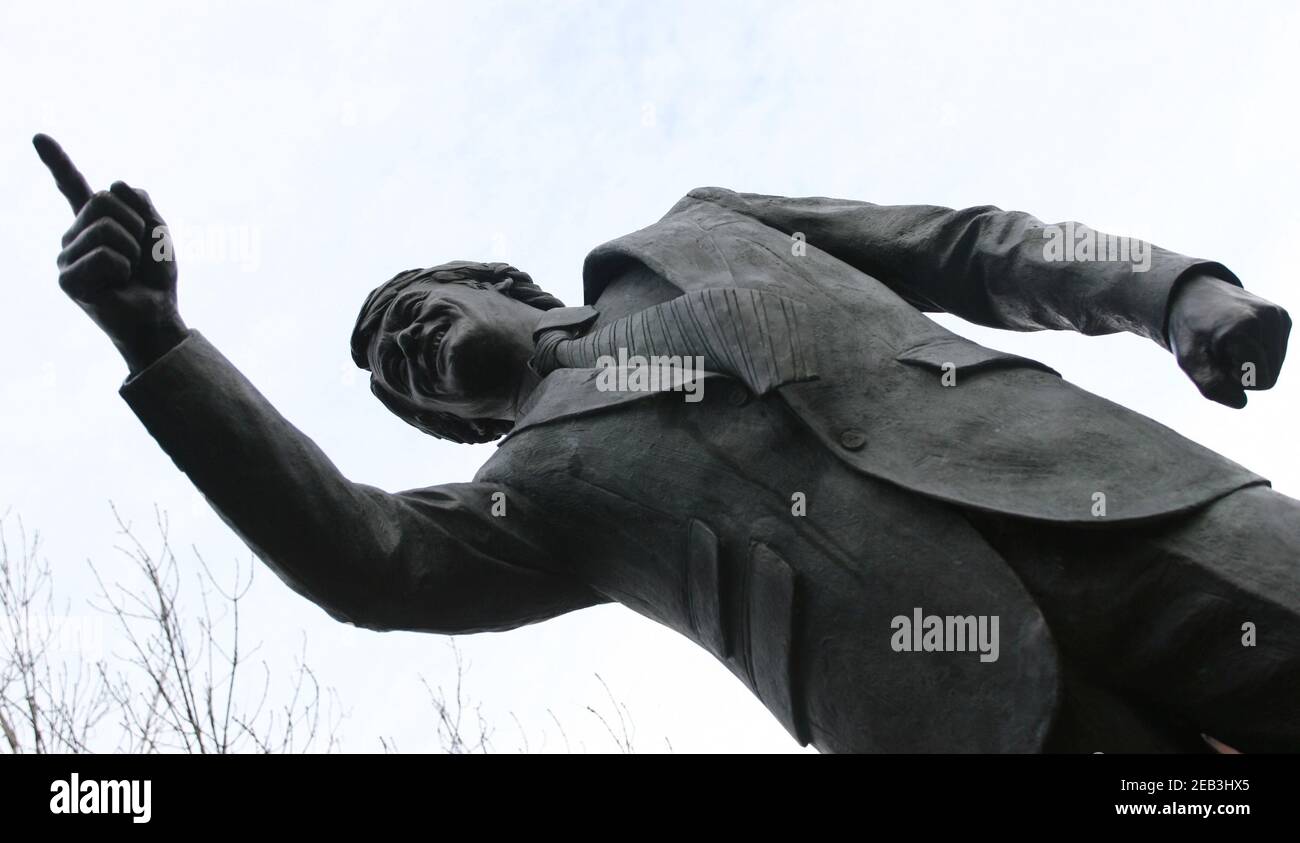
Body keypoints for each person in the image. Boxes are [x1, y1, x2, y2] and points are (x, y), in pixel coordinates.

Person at [35, 133, 1298, 753]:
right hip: (956, 718)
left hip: (1130, 513)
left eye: (415, 311)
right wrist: (159, 342)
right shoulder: (530, 501)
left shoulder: (700, 231)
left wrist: (1173, 288)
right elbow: (365, 559)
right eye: (392, 374)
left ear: (503, 283)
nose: (403, 344)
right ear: (454, 426)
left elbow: (966, 243)